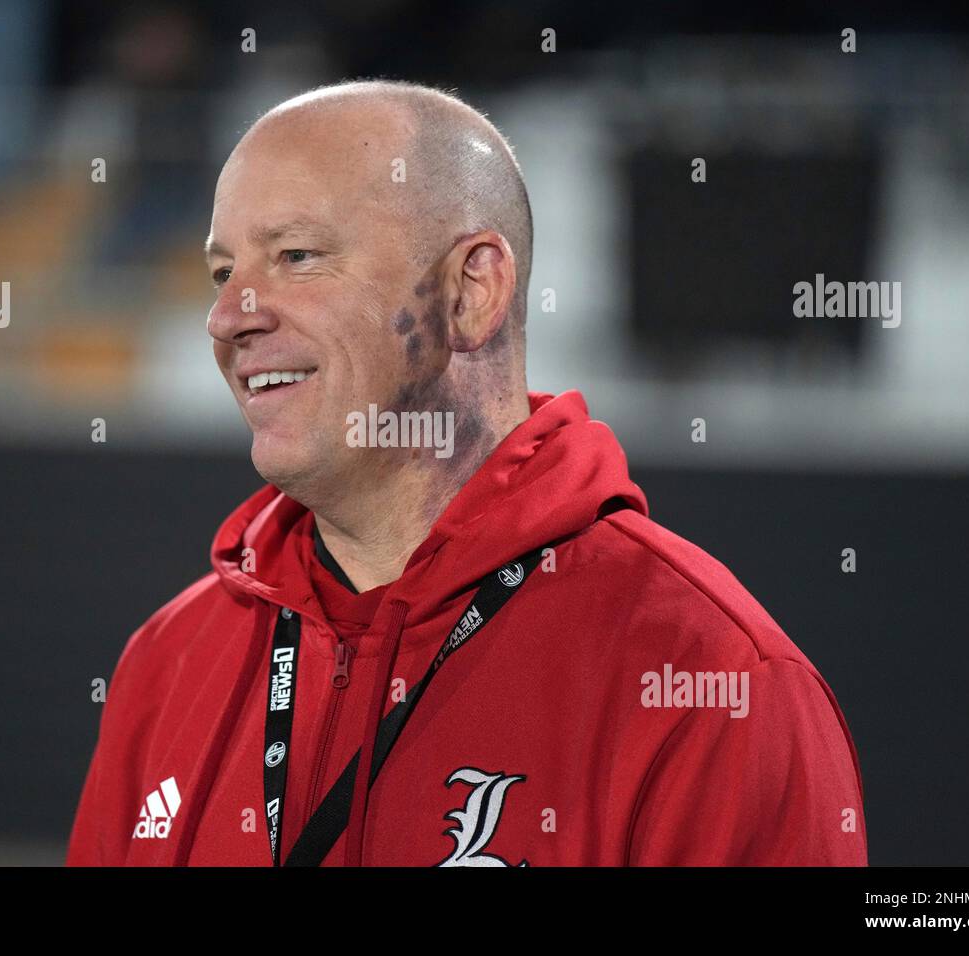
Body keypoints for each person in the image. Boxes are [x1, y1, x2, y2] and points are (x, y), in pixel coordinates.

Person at [66, 79, 868, 866]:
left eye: (295, 256)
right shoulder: (167, 664)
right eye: (222, 273)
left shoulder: (709, 682)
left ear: (471, 291)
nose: (229, 316)